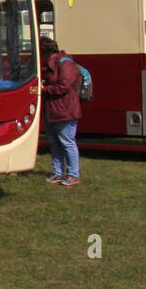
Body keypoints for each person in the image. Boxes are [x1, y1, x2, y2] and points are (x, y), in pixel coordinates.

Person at [40, 35, 82, 186]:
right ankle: (57, 172)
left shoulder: (65, 63)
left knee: (67, 142)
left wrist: (45, 88)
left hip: (64, 110)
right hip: (53, 109)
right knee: (54, 142)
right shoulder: (55, 63)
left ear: (44, 51)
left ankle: (73, 174)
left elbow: (64, 85)